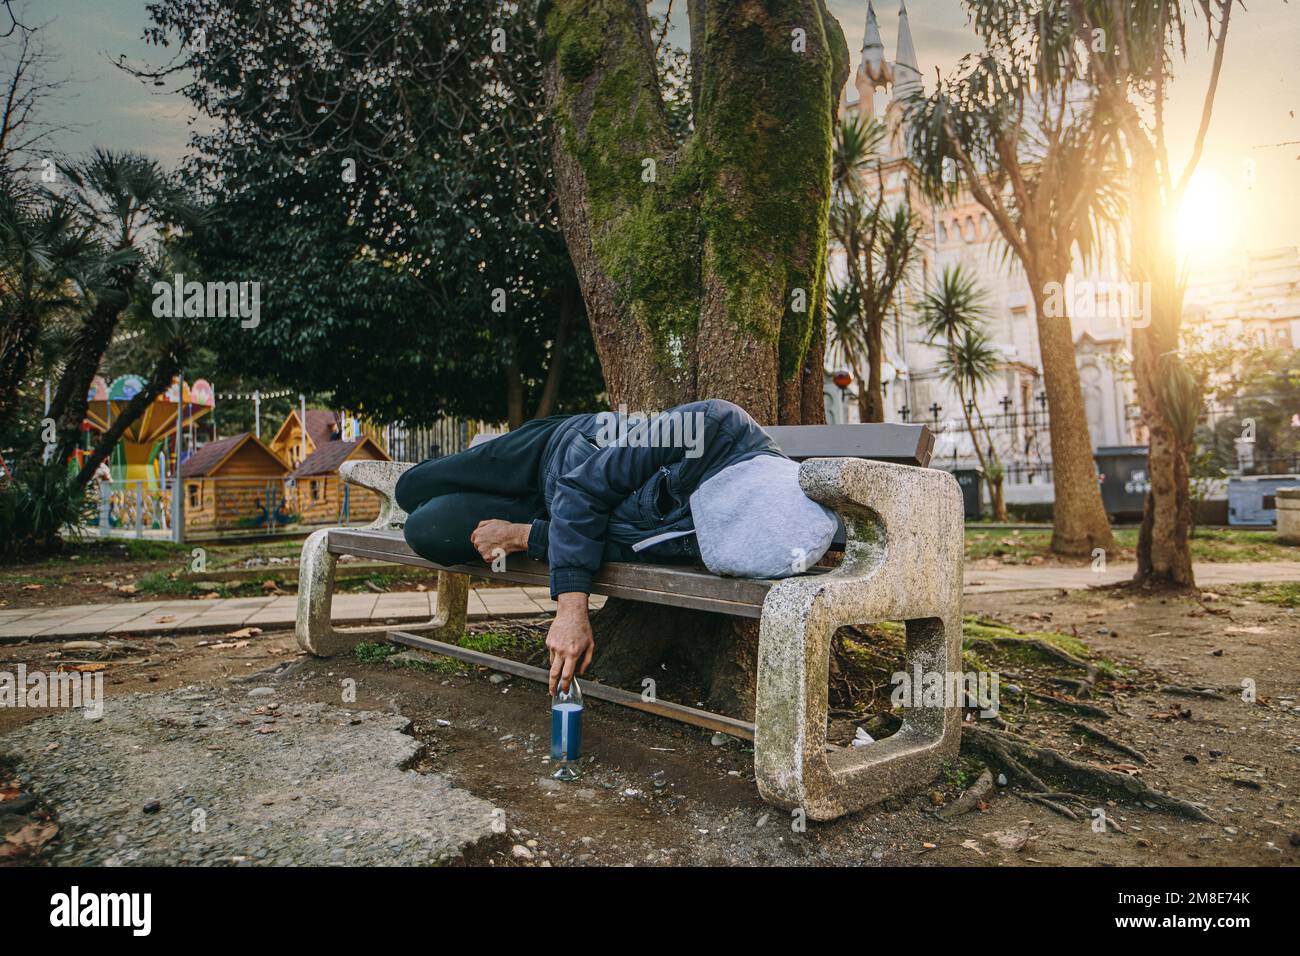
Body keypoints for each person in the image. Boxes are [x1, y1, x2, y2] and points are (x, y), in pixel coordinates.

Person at [396, 400, 838, 695]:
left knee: (427, 530)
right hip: (557, 453)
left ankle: (485, 511)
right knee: (411, 488)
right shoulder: (712, 426)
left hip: (546, 517)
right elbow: (584, 490)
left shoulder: (731, 544)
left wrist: (525, 534)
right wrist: (571, 611)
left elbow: (623, 548)